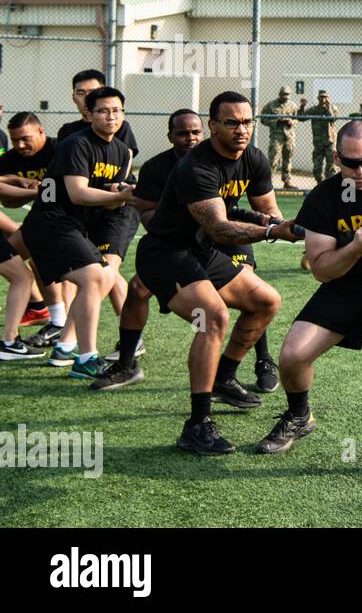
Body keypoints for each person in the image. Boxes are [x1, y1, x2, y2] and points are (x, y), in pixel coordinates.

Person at [256, 121, 362, 482]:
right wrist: (357, 246)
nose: (361, 171)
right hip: (344, 281)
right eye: (351, 163)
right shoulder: (321, 198)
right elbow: (322, 270)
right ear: (336, 158)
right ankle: (299, 416)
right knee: (292, 355)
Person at [134, 91, 299, 454]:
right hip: (165, 253)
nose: (242, 130)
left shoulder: (253, 158)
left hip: (201, 251)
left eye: (247, 122)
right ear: (212, 126)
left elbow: (269, 210)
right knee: (212, 317)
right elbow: (220, 229)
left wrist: (301, 229)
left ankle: (224, 377)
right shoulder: (196, 167)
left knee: (265, 302)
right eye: (232, 123)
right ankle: (197, 424)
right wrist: (273, 232)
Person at [95, 109, 281, 392]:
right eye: (182, 133)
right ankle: (126, 362)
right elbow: (149, 216)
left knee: (252, 289)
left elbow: (264, 207)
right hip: (181, 240)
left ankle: (261, 360)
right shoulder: (161, 168)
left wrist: (275, 223)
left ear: (205, 132)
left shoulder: (245, 157)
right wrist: (185, 214)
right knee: (138, 289)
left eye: (195, 133)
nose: (190, 138)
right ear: (170, 136)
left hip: (226, 231)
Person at [18, 87, 134, 379]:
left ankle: (70, 349)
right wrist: (124, 196)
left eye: (117, 110)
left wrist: (125, 193)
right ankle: (84, 357)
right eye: (104, 111)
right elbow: (78, 193)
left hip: (74, 226)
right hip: (49, 222)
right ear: (89, 114)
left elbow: (110, 193)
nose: (111, 116)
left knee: (97, 279)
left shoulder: (121, 151)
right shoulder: (75, 144)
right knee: (95, 278)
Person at [0, 113, 66, 351]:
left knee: (77, 276)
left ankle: (61, 326)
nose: (20, 145)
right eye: (15, 140)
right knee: (20, 266)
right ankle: (46, 314)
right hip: (39, 222)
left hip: (72, 220)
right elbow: (8, 203)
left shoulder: (60, 149)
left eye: (25, 139)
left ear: (40, 132)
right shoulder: (9, 159)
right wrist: (23, 187)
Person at [259, 85, 297, 189]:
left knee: (288, 159)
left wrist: (291, 122)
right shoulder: (271, 106)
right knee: (273, 159)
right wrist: (277, 121)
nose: (285, 97)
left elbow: (297, 118)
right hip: (277, 136)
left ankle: (287, 181)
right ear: (279, 94)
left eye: (287, 95)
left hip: (289, 137)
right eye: (284, 95)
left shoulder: (293, 105)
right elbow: (263, 119)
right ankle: (268, 182)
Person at [306, 89, 341, 183]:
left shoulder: (333, 108)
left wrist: (328, 107)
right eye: (321, 97)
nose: (323, 99)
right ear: (318, 98)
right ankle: (319, 183)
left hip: (330, 142)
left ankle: (330, 184)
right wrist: (302, 106)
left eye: (325, 97)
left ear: (328, 98)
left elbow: (333, 119)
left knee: (331, 166)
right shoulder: (314, 109)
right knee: (317, 166)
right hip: (318, 142)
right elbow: (302, 117)